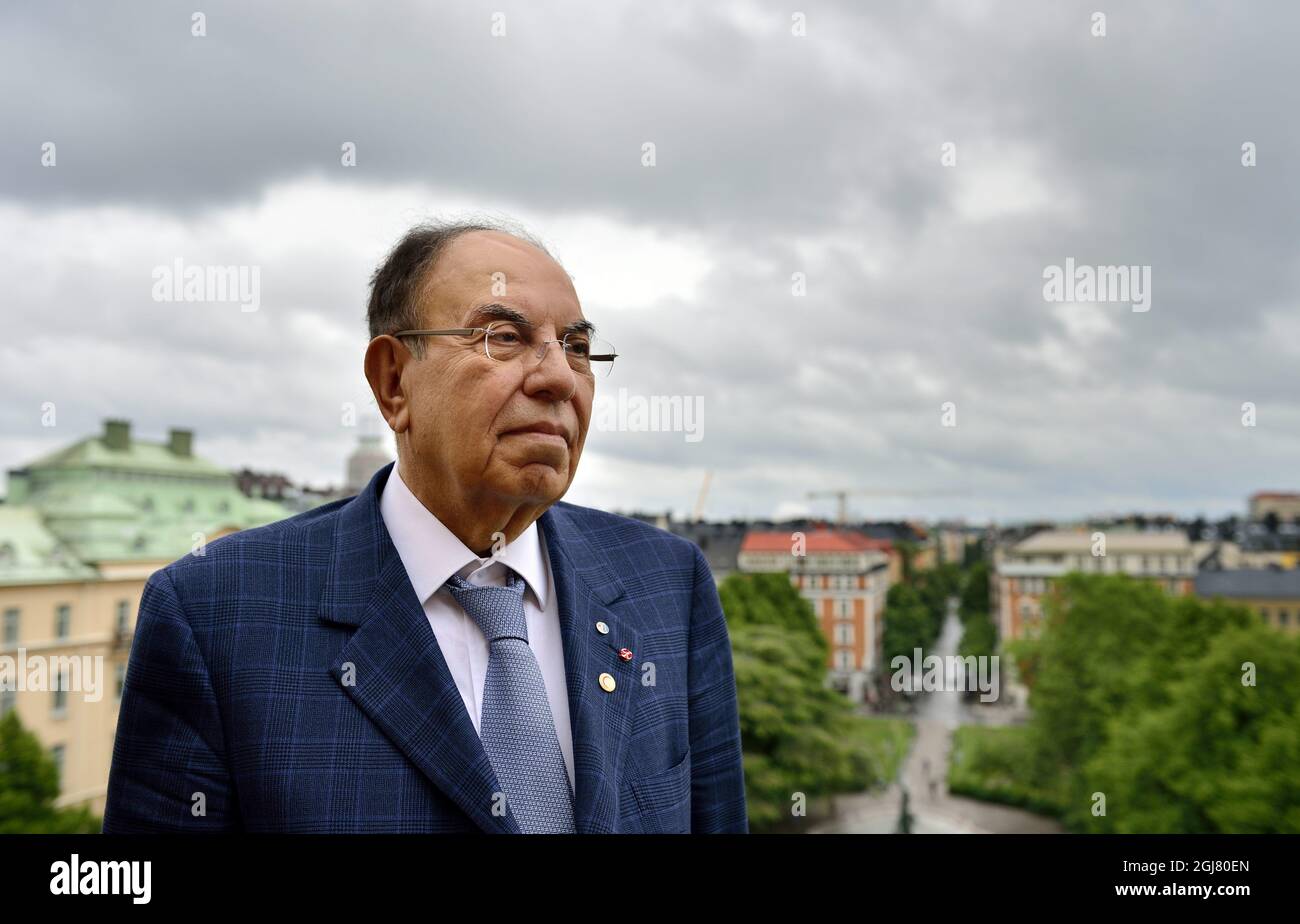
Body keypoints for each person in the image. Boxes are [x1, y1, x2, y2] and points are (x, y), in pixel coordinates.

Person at [103, 218, 748, 834]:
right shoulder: (214, 614)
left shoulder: (669, 582)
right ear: (393, 383)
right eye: (503, 336)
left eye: (576, 347)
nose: (558, 377)